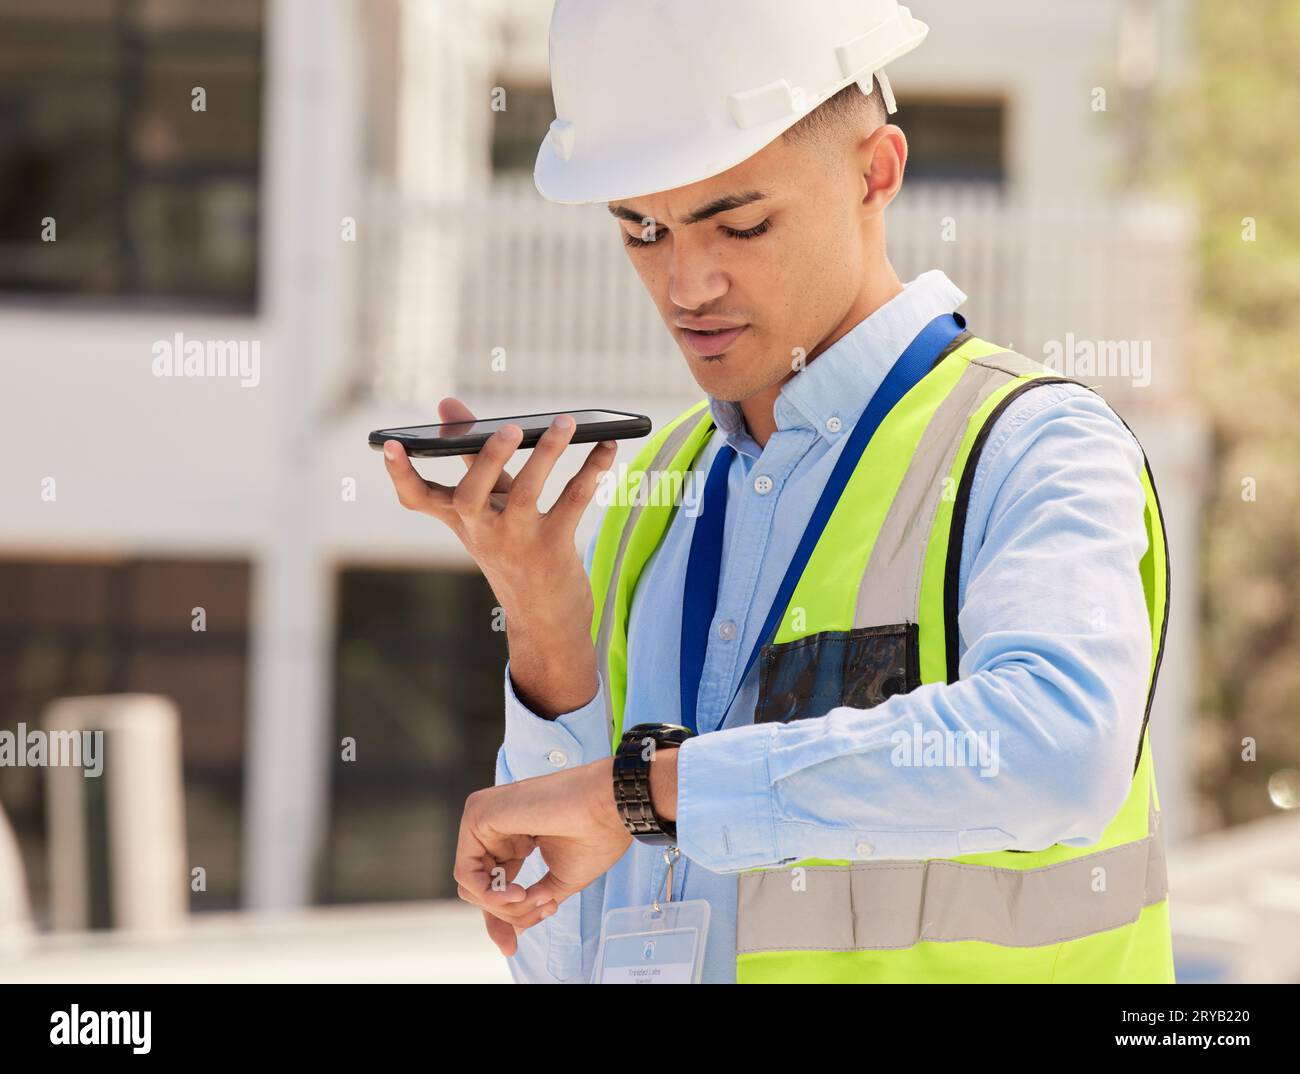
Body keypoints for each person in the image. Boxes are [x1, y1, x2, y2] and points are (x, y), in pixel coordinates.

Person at [380, 0, 1173, 984]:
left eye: (740, 223)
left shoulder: (1028, 446)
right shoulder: (643, 512)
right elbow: (563, 958)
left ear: (875, 172)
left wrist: (644, 791)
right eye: (641, 230)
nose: (686, 283)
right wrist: (543, 626)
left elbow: (1055, 752)